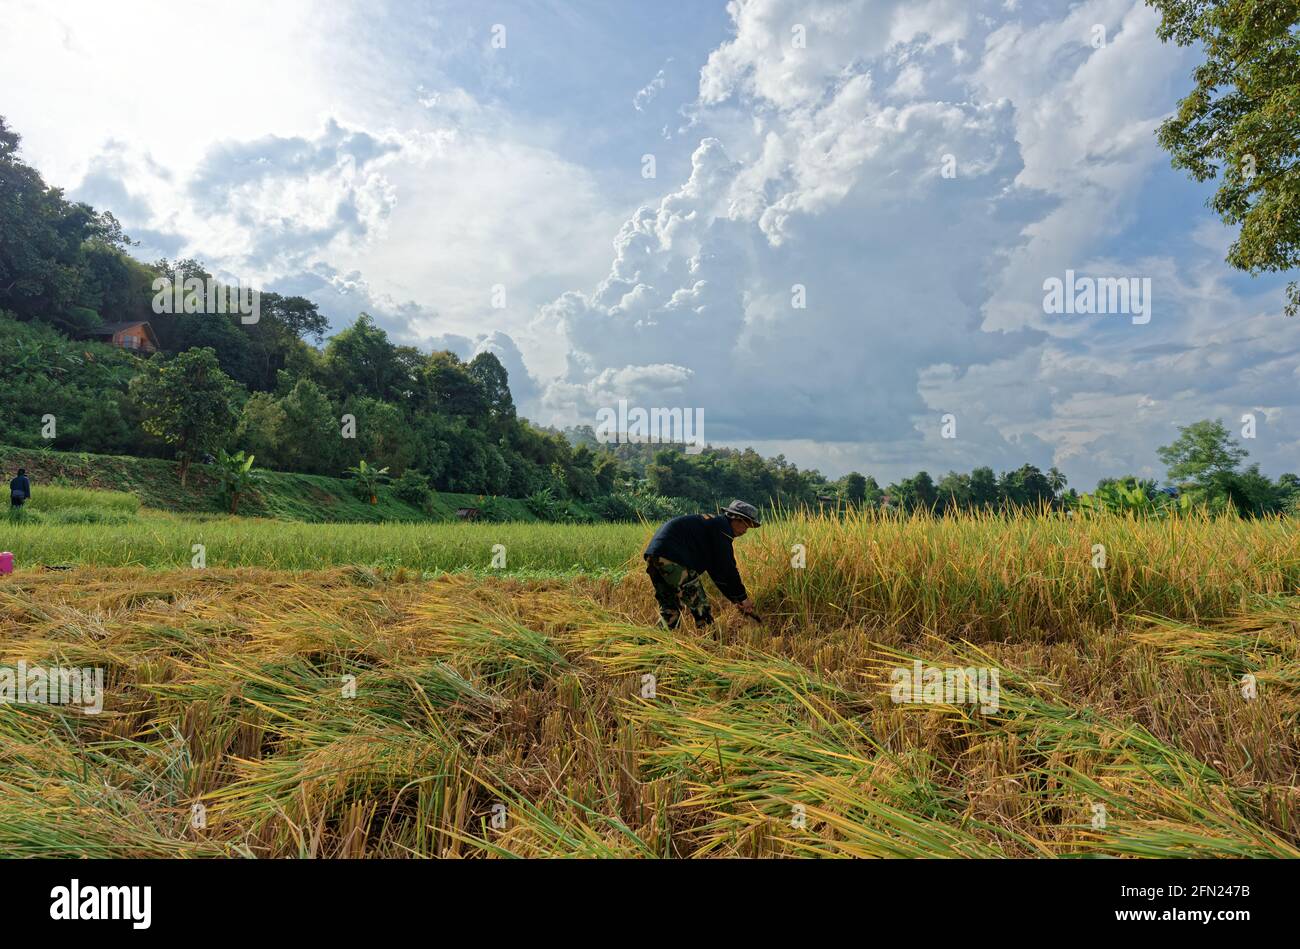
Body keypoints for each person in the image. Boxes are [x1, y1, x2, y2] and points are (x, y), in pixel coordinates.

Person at [643, 499, 760, 629]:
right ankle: (709, 642)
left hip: (655, 555)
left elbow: (718, 573)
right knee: (701, 608)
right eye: (746, 525)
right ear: (736, 518)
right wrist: (743, 598)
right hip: (673, 558)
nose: (745, 531)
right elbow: (728, 569)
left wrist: (736, 600)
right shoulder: (722, 529)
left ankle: (647, 643)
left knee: (670, 610)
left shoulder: (713, 525)